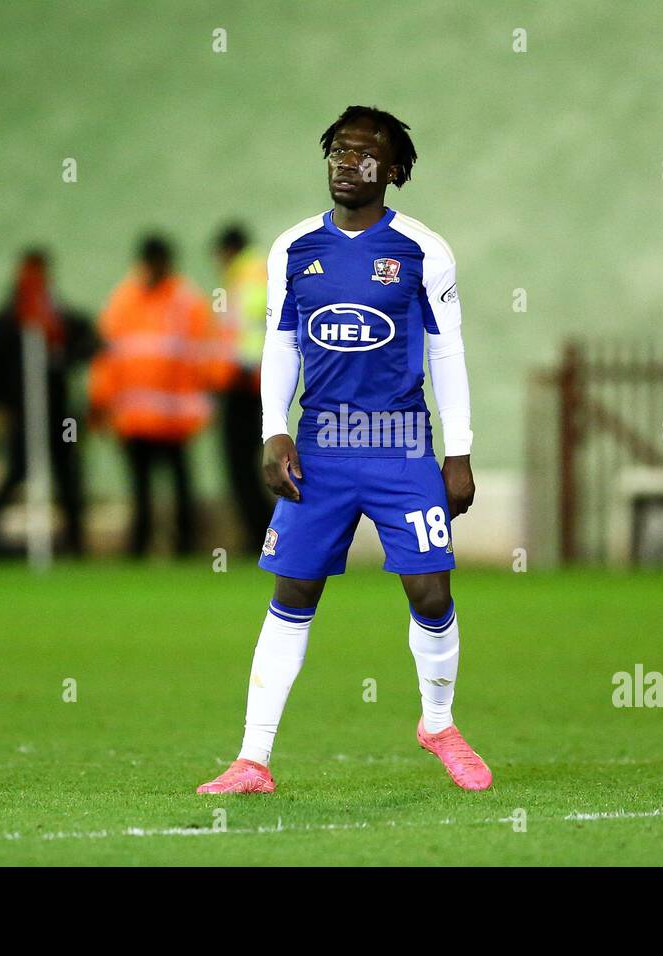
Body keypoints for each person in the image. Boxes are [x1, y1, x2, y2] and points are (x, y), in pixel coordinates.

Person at [196, 105, 488, 795]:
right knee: (292, 590)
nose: (344, 162)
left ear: (392, 171)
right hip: (321, 448)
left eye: (361, 154)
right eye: (336, 150)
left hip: (400, 446)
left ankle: (438, 724)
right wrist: (274, 428)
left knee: (430, 588)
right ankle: (253, 760)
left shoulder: (423, 250)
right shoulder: (294, 247)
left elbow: (446, 349)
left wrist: (460, 450)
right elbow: (280, 342)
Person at [90, 236, 230, 557]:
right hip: (134, 419)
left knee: (181, 489)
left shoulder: (186, 302)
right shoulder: (123, 301)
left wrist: (211, 399)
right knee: (140, 491)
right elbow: (107, 357)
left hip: (174, 419)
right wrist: (99, 402)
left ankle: (183, 548)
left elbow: (205, 356)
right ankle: (139, 549)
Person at [0, 250, 95, 558]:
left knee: (68, 474)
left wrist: (65, 358)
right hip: (23, 414)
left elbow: (91, 341)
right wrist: (0, 406)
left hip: (61, 416)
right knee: (16, 471)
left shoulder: (58, 315)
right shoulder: (9, 318)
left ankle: (76, 543)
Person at [213, 224, 273, 550]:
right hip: (252, 381)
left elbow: (252, 328)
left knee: (241, 466)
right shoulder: (256, 269)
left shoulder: (245, 274)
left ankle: (260, 537)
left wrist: (243, 369)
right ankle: (262, 536)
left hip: (245, 382)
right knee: (250, 464)